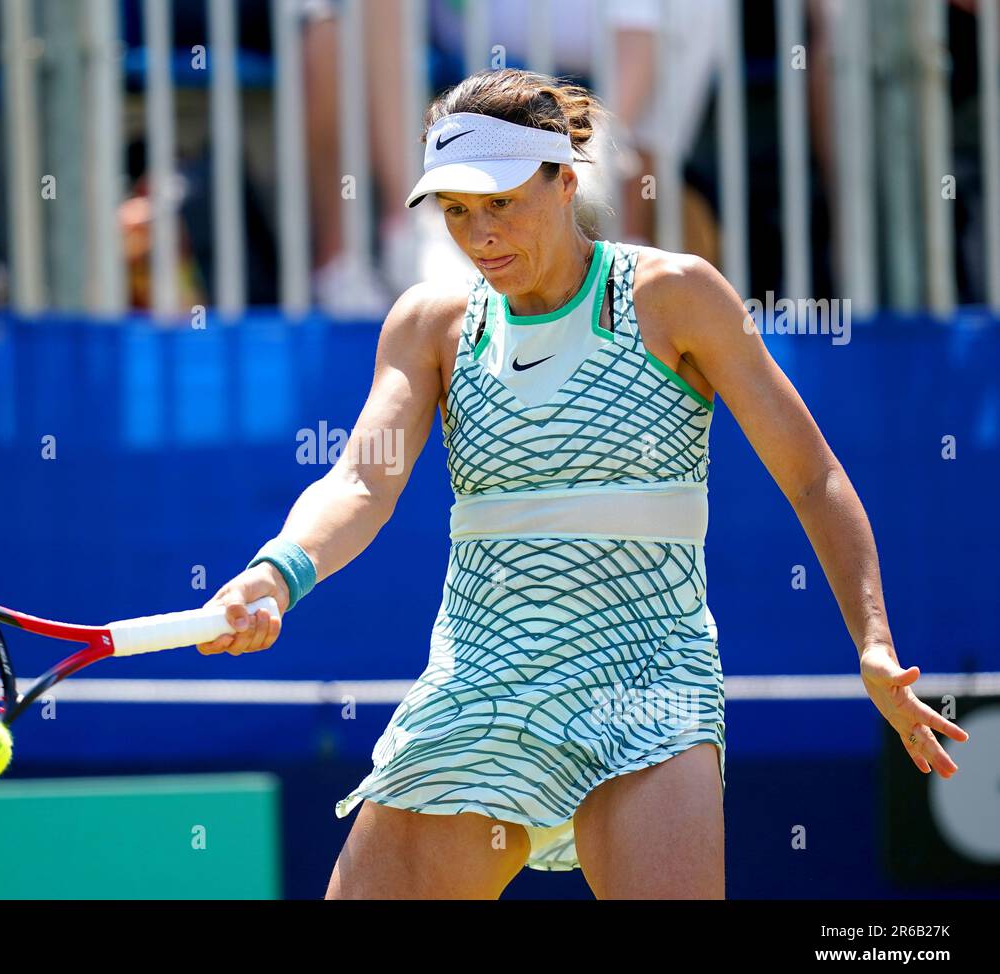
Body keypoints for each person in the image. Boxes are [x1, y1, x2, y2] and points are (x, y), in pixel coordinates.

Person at [196, 69, 969, 899]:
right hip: (480, 681)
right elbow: (361, 479)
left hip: (649, 684)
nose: (480, 234)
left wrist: (873, 641)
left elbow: (813, 477)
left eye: (501, 203)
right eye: (455, 210)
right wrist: (278, 571)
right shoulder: (430, 325)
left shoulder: (677, 296)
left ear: (565, 181)